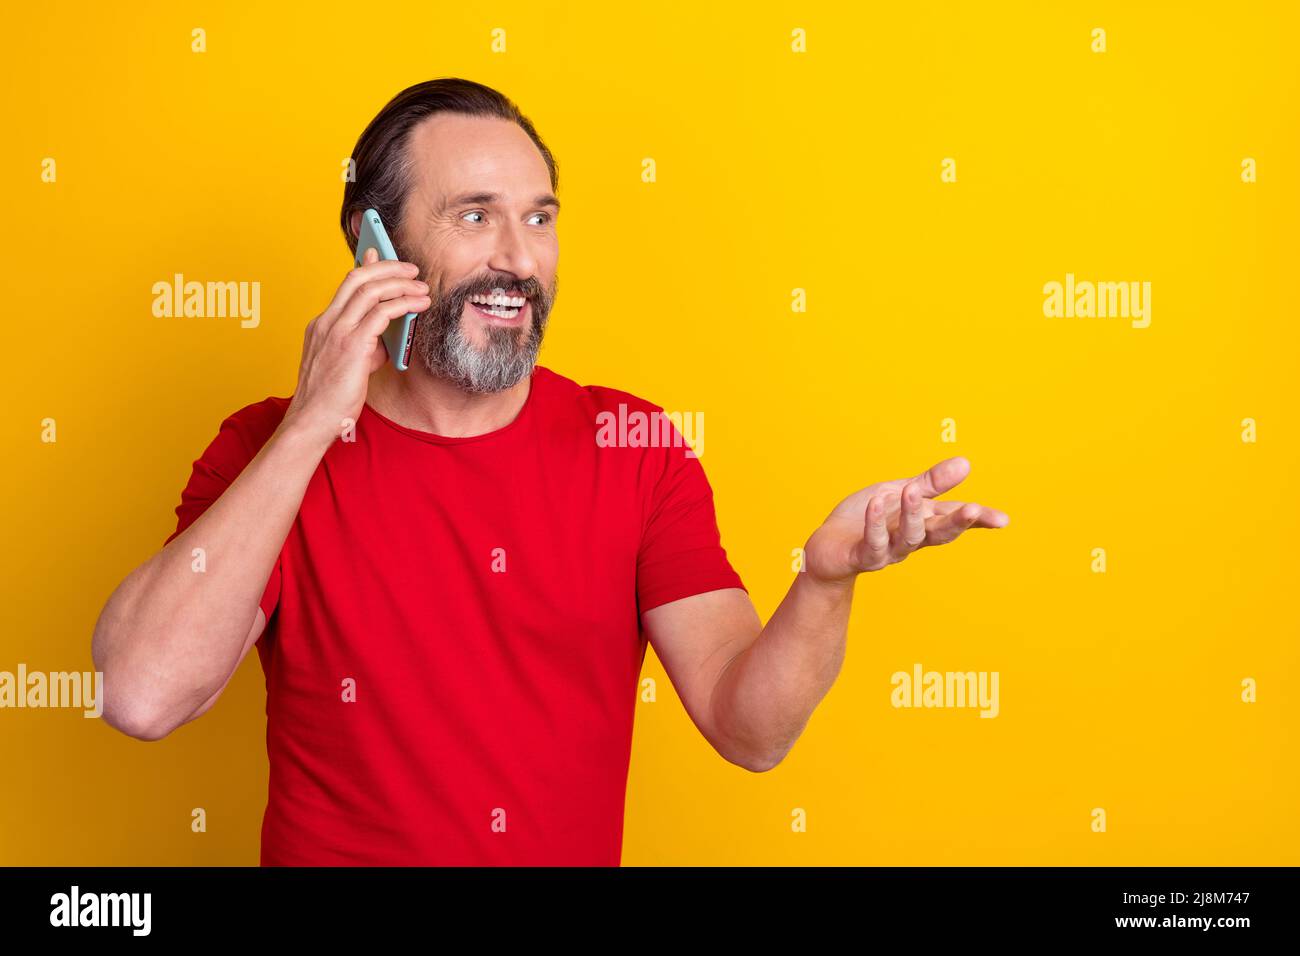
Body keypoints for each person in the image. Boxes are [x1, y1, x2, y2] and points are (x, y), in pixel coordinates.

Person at [91, 77, 1010, 865]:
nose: (519, 260)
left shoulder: (634, 446)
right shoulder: (265, 450)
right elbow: (141, 694)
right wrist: (309, 429)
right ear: (374, 244)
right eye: (474, 216)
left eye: (538, 218)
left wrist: (824, 584)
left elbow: (750, 729)